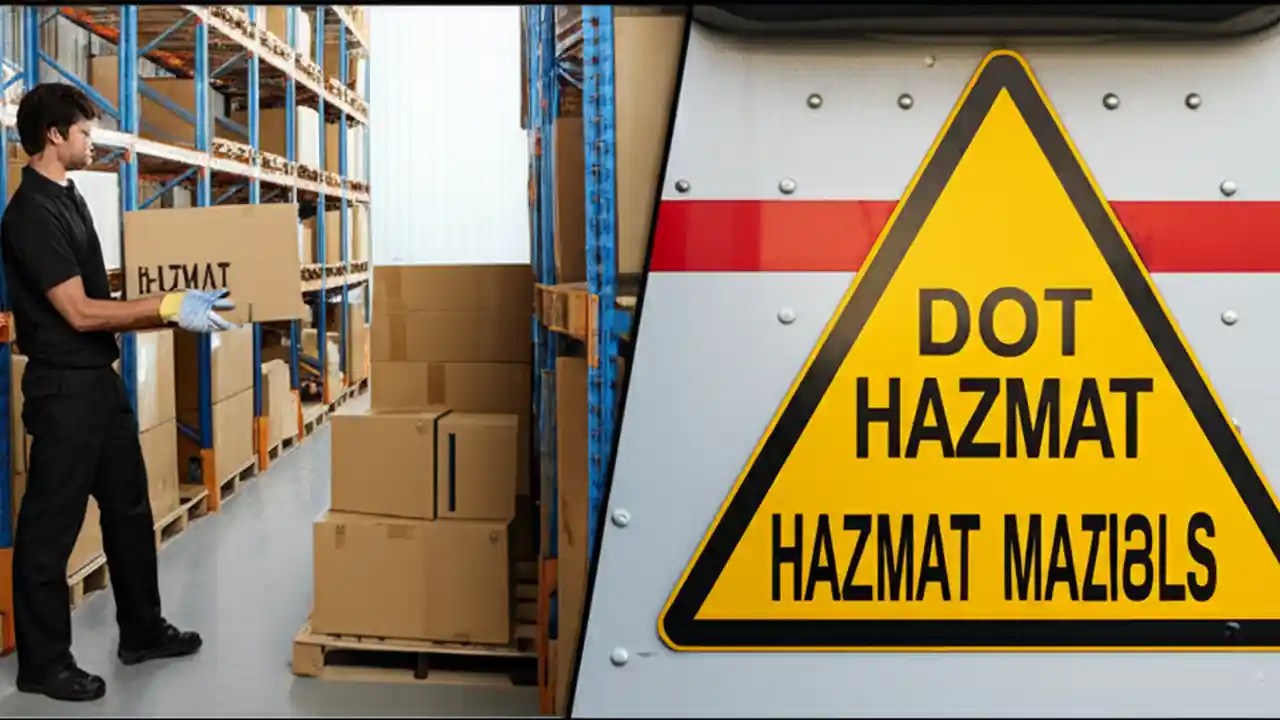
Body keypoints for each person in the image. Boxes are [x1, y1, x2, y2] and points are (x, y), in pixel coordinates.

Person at [1, 82, 236, 702]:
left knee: (130, 510)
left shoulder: (71, 197)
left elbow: (97, 297)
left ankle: (142, 630)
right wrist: (162, 306)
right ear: (54, 135)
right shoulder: (30, 213)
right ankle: (44, 663)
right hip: (63, 388)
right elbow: (79, 311)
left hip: (97, 384)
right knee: (51, 527)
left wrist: (166, 303)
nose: (91, 141)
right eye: (84, 132)